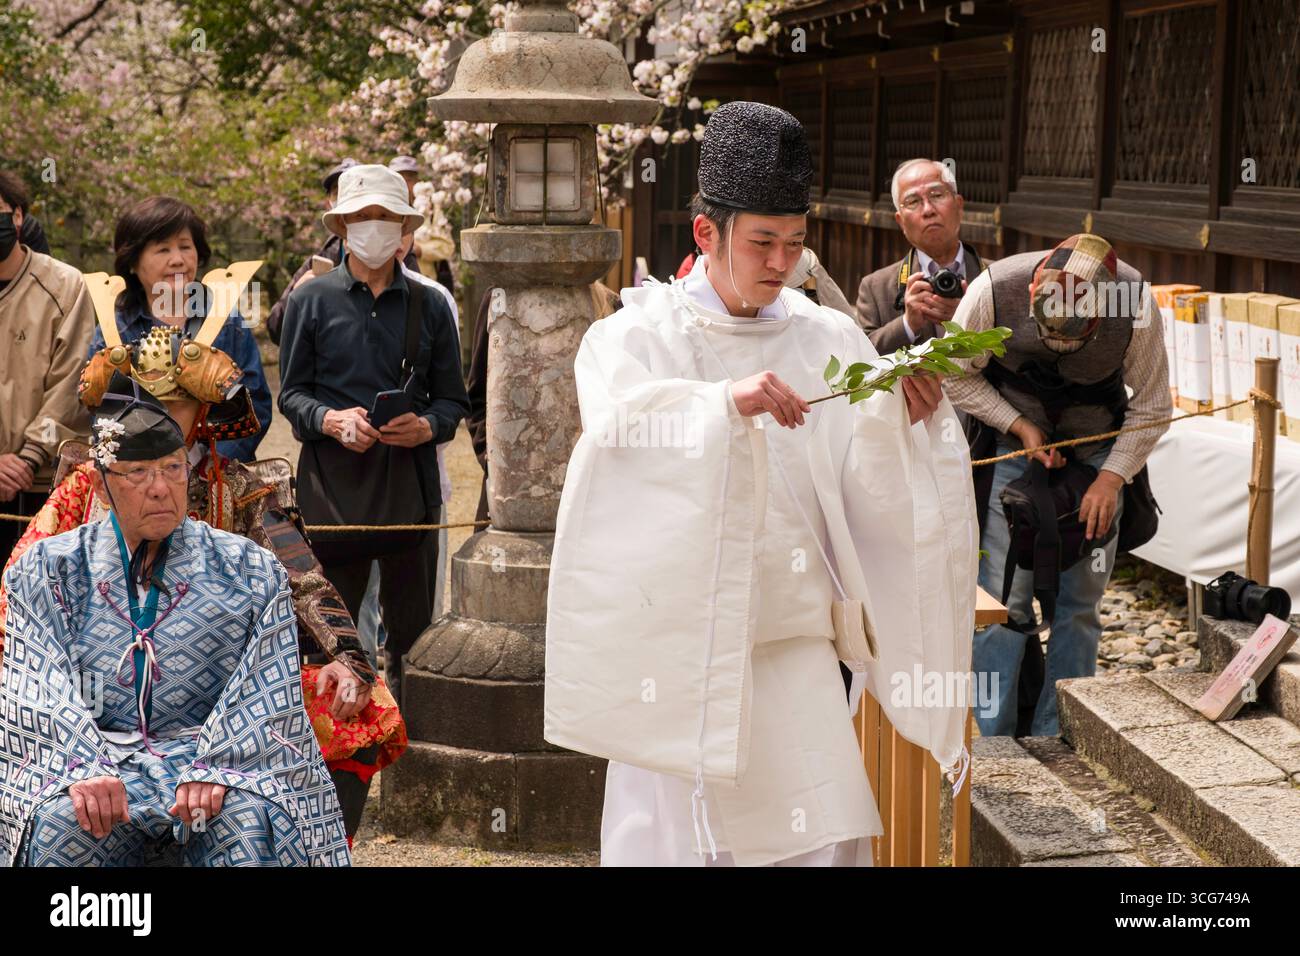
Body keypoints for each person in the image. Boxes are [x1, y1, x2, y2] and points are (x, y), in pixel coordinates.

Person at [544, 102, 980, 867]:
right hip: (679, 651)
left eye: (795, 243)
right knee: (677, 844)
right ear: (706, 232)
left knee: (816, 835)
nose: (780, 263)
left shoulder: (829, 336)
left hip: (794, 637)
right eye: (761, 242)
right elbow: (613, 444)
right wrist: (719, 406)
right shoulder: (633, 336)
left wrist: (902, 420)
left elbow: (860, 482)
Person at [0, 285, 406, 843]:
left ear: (205, 412)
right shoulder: (86, 482)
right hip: (95, 687)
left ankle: (313, 839)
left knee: (358, 700)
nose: (159, 414)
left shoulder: (242, 490)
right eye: (145, 398)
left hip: (228, 688)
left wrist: (348, 660)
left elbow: (305, 583)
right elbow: (18, 585)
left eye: (176, 403)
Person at [0, 381, 350, 865]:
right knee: (65, 822)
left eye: (172, 469)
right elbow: (33, 684)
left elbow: (267, 683)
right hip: (95, 759)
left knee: (246, 819)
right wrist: (80, 766)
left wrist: (220, 767)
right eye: (139, 472)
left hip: (210, 759)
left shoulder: (248, 568)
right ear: (101, 483)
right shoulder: (48, 570)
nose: (160, 488)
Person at [945, 232, 1170, 738]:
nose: (1058, 347)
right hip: (1015, 445)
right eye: (1049, 333)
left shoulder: (1133, 305)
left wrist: (1113, 479)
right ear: (1032, 293)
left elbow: (1154, 404)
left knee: (1080, 605)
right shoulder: (992, 289)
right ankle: (992, 738)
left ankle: (1063, 734)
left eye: (1073, 338)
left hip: (1098, 451)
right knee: (1003, 601)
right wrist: (1018, 425)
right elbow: (953, 374)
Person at [278, 164, 470, 703]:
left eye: (386, 216)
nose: (375, 227)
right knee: (328, 636)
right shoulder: (310, 301)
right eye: (363, 216)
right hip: (332, 495)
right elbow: (291, 396)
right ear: (341, 226)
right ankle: (337, 758)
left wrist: (427, 426)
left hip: (410, 492)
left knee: (414, 639)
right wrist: (331, 421)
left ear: (404, 227)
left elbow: (455, 399)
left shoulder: (430, 304)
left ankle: (412, 746)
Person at [87, 196, 272, 462]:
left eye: (185, 247)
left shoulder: (226, 320)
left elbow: (257, 405)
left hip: (215, 477)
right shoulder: (114, 328)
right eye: (163, 250)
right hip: (138, 477)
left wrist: (213, 462)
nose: (178, 260)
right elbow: (98, 410)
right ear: (133, 261)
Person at [0, 169, 96, 564]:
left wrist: (27, 457)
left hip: (41, 481)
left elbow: (73, 380)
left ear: (18, 216)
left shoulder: (64, 285)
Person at [853, 158, 987, 354]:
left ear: (959, 206)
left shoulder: (996, 277)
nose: (928, 210)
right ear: (900, 222)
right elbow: (863, 358)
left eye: (937, 195)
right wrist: (908, 323)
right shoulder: (875, 287)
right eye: (913, 201)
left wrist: (968, 320)